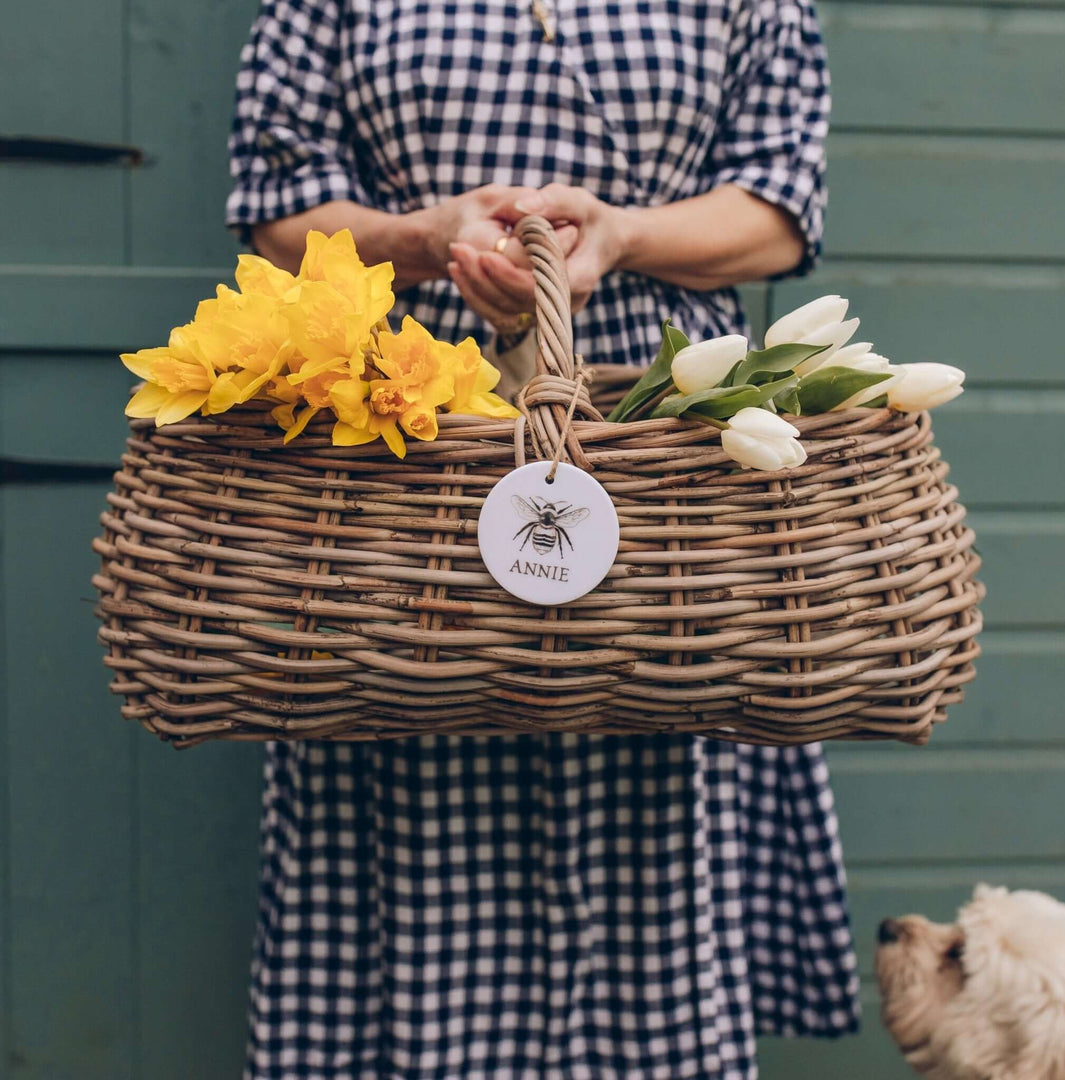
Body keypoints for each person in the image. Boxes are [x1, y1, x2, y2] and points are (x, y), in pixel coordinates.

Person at [226, 1, 859, 1077]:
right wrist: (422, 240)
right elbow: (279, 212)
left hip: (661, 442)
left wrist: (622, 234)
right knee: (415, 720)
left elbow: (781, 209)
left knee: (656, 754)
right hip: (405, 445)